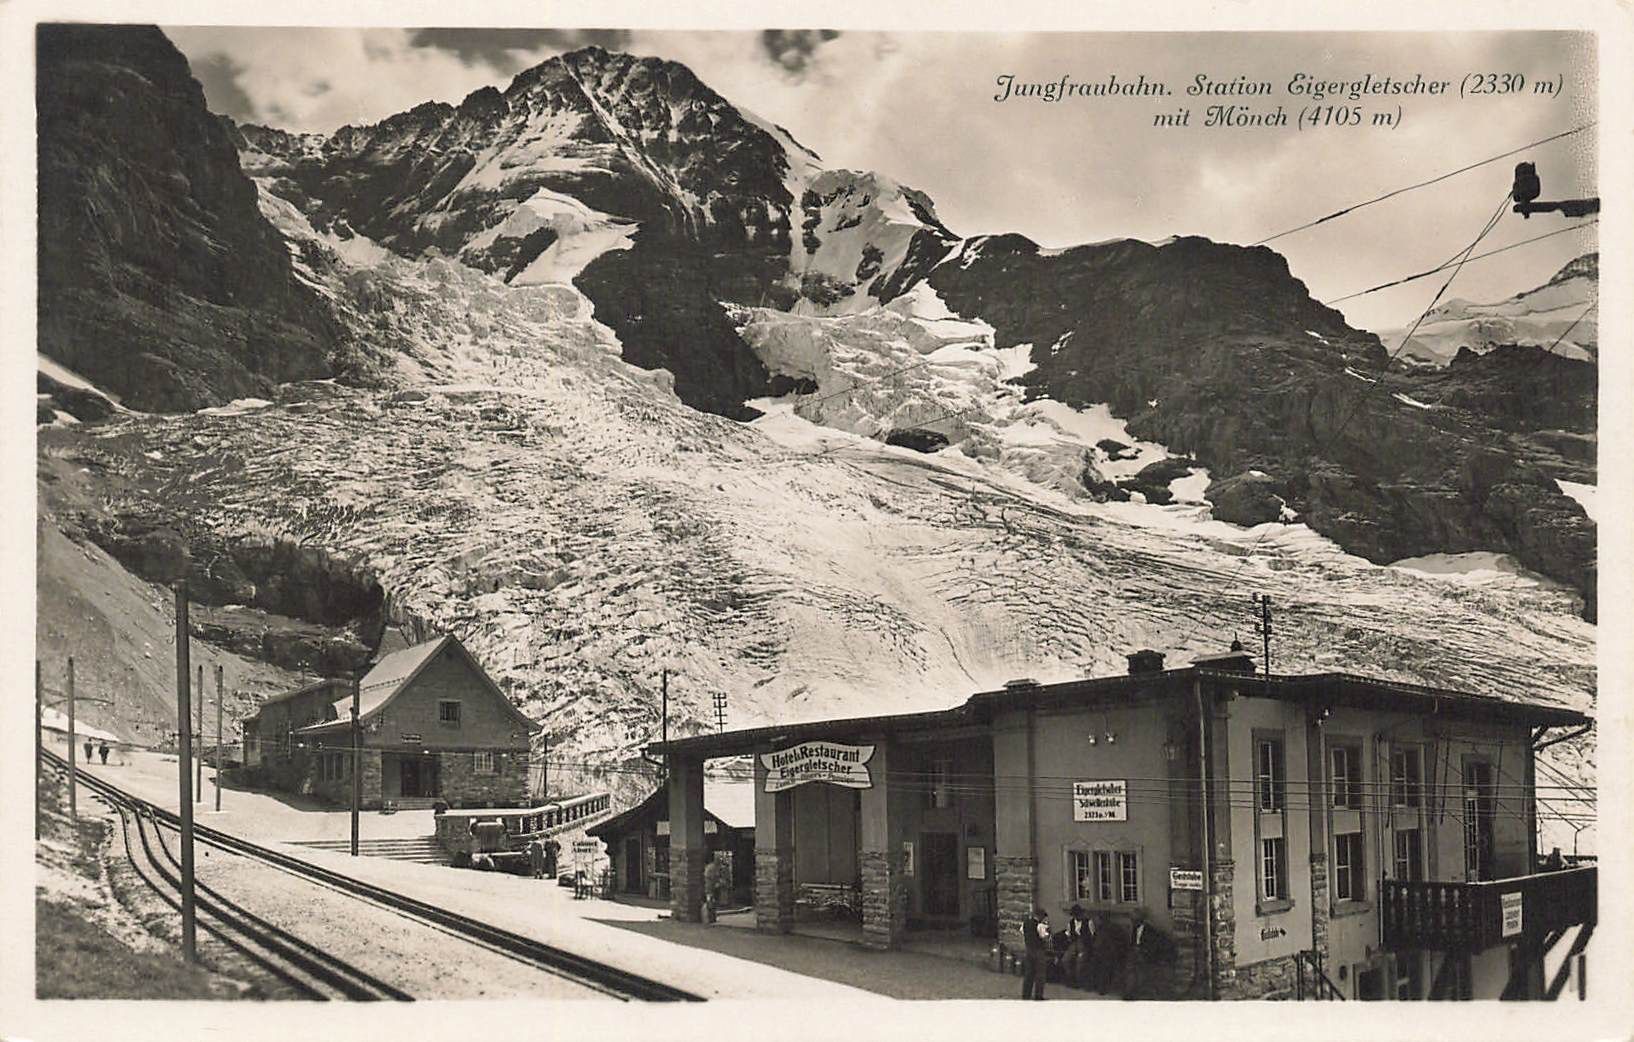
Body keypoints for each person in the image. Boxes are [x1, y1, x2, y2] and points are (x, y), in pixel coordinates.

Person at [1021, 906, 1050, 1000]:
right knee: (1040, 974)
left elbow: (1022, 931)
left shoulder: (1025, 923)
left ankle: (1026, 995)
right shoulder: (1040, 925)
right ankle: (1038, 995)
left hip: (1029, 949)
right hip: (1038, 951)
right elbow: (1044, 937)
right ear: (1040, 916)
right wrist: (1048, 932)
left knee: (1029, 973)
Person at [702, 854, 722, 924]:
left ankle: (712, 917)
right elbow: (710, 877)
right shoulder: (711, 868)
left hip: (713, 888)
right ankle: (709, 918)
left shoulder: (715, 867)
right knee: (710, 902)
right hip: (709, 888)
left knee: (713, 902)